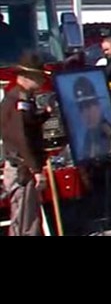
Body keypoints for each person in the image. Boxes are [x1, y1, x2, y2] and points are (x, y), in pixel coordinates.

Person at [0, 54, 51, 236]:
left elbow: (27, 125)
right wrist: (36, 169)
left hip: (22, 165)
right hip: (22, 167)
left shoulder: (21, 98)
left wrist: (43, 116)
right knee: (24, 223)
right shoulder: (18, 99)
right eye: (39, 77)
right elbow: (21, 136)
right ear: (28, 76)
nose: (42, 81)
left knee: (27, 219)